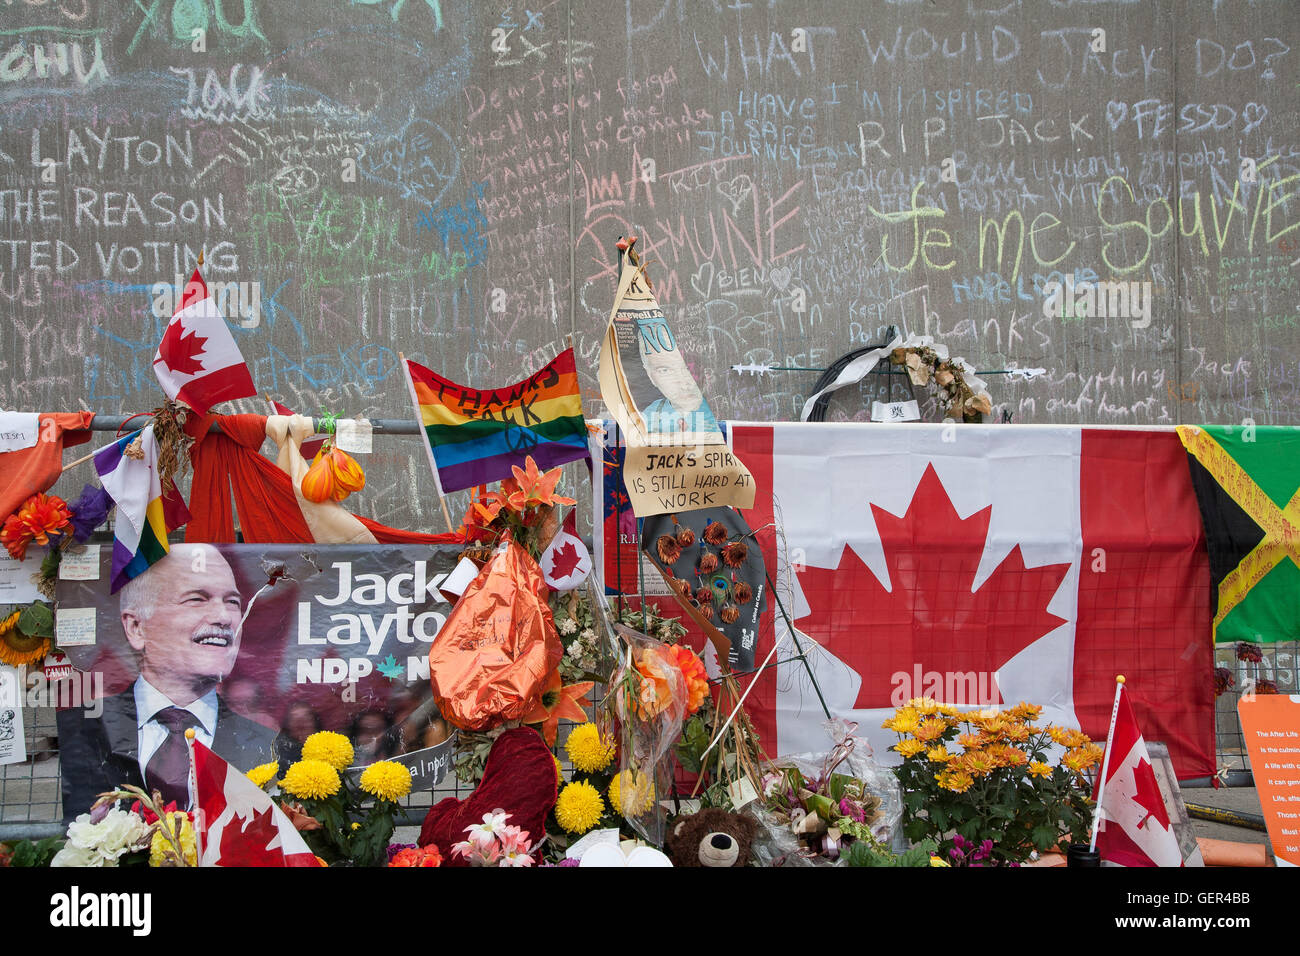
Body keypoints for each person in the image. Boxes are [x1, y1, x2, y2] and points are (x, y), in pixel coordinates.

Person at [57, 544, 277, 820]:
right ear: (136, 627)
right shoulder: (84, 728)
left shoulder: (270, 746)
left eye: (232, 602)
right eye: (197, 599)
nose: (224, 618)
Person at [636, 322, 720, 438]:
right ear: (650, 375)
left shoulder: (716, 407)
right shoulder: (650, 415)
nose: (683, 384)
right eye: (665, 370)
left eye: (687, 368)